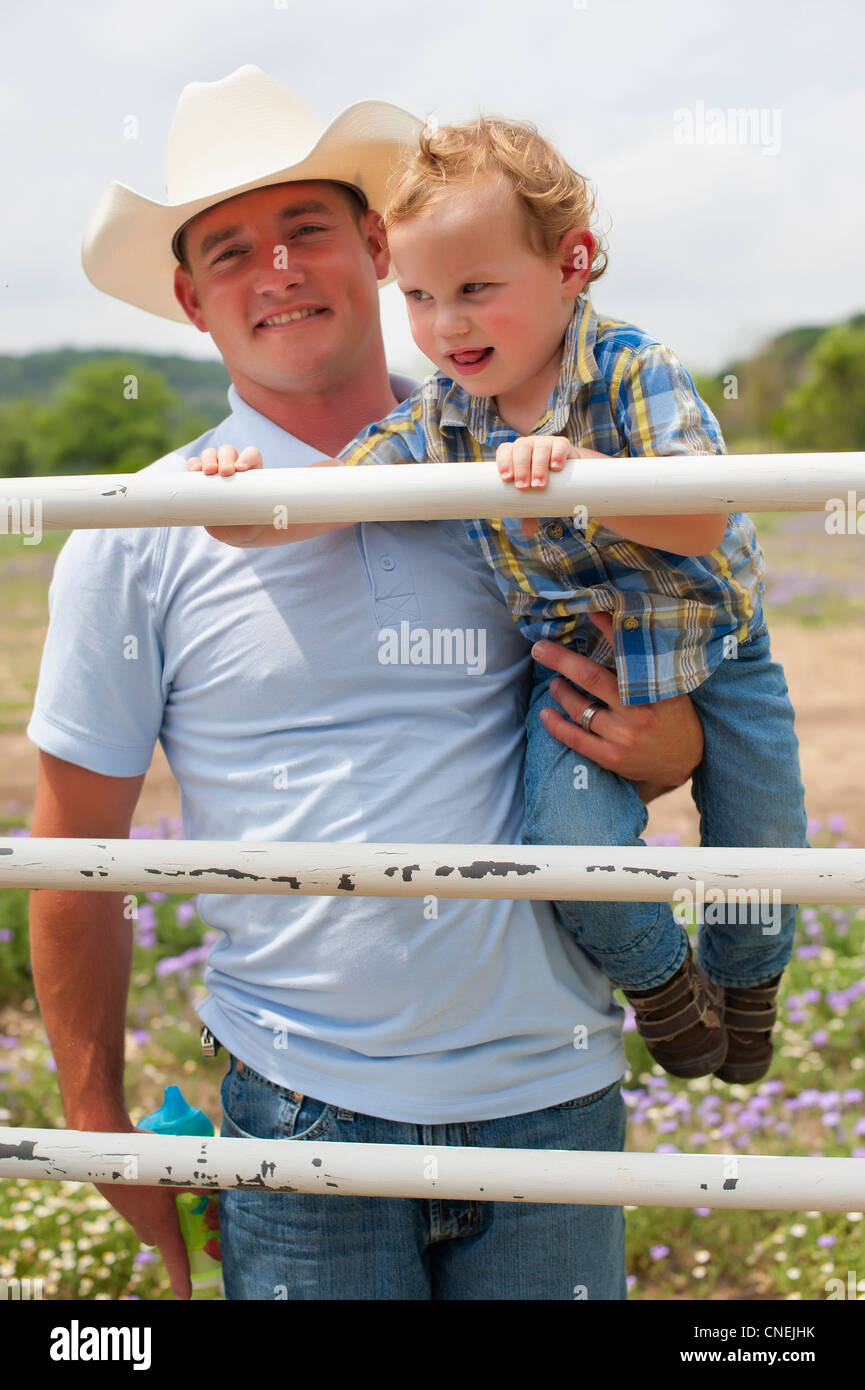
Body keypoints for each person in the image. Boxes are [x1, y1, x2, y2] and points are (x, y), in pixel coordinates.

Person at [27, 67, 703, 1302]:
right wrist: (95, 1112)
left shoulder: (520, 470)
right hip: (300, 1112)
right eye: (231, 251)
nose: (276, 269)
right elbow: (76, 850)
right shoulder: (135, 534)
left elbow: (660, 681)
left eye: (307, 230)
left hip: (547, 1094)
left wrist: (670, 752)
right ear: (190, 297)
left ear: (375, 246)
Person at [190, 116, 808, 1087]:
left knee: (761, 838)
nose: (448, 327)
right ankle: (663, 984)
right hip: (582, 661)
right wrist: (232, 496)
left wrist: (579, 470)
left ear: (573, 264)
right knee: (563, 844)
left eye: (478, 290)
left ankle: (746, 983)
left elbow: (700, 518)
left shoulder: (630, 368)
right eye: (424, 297)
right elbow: (331, 495)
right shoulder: (442, 415)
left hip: (717, 644)